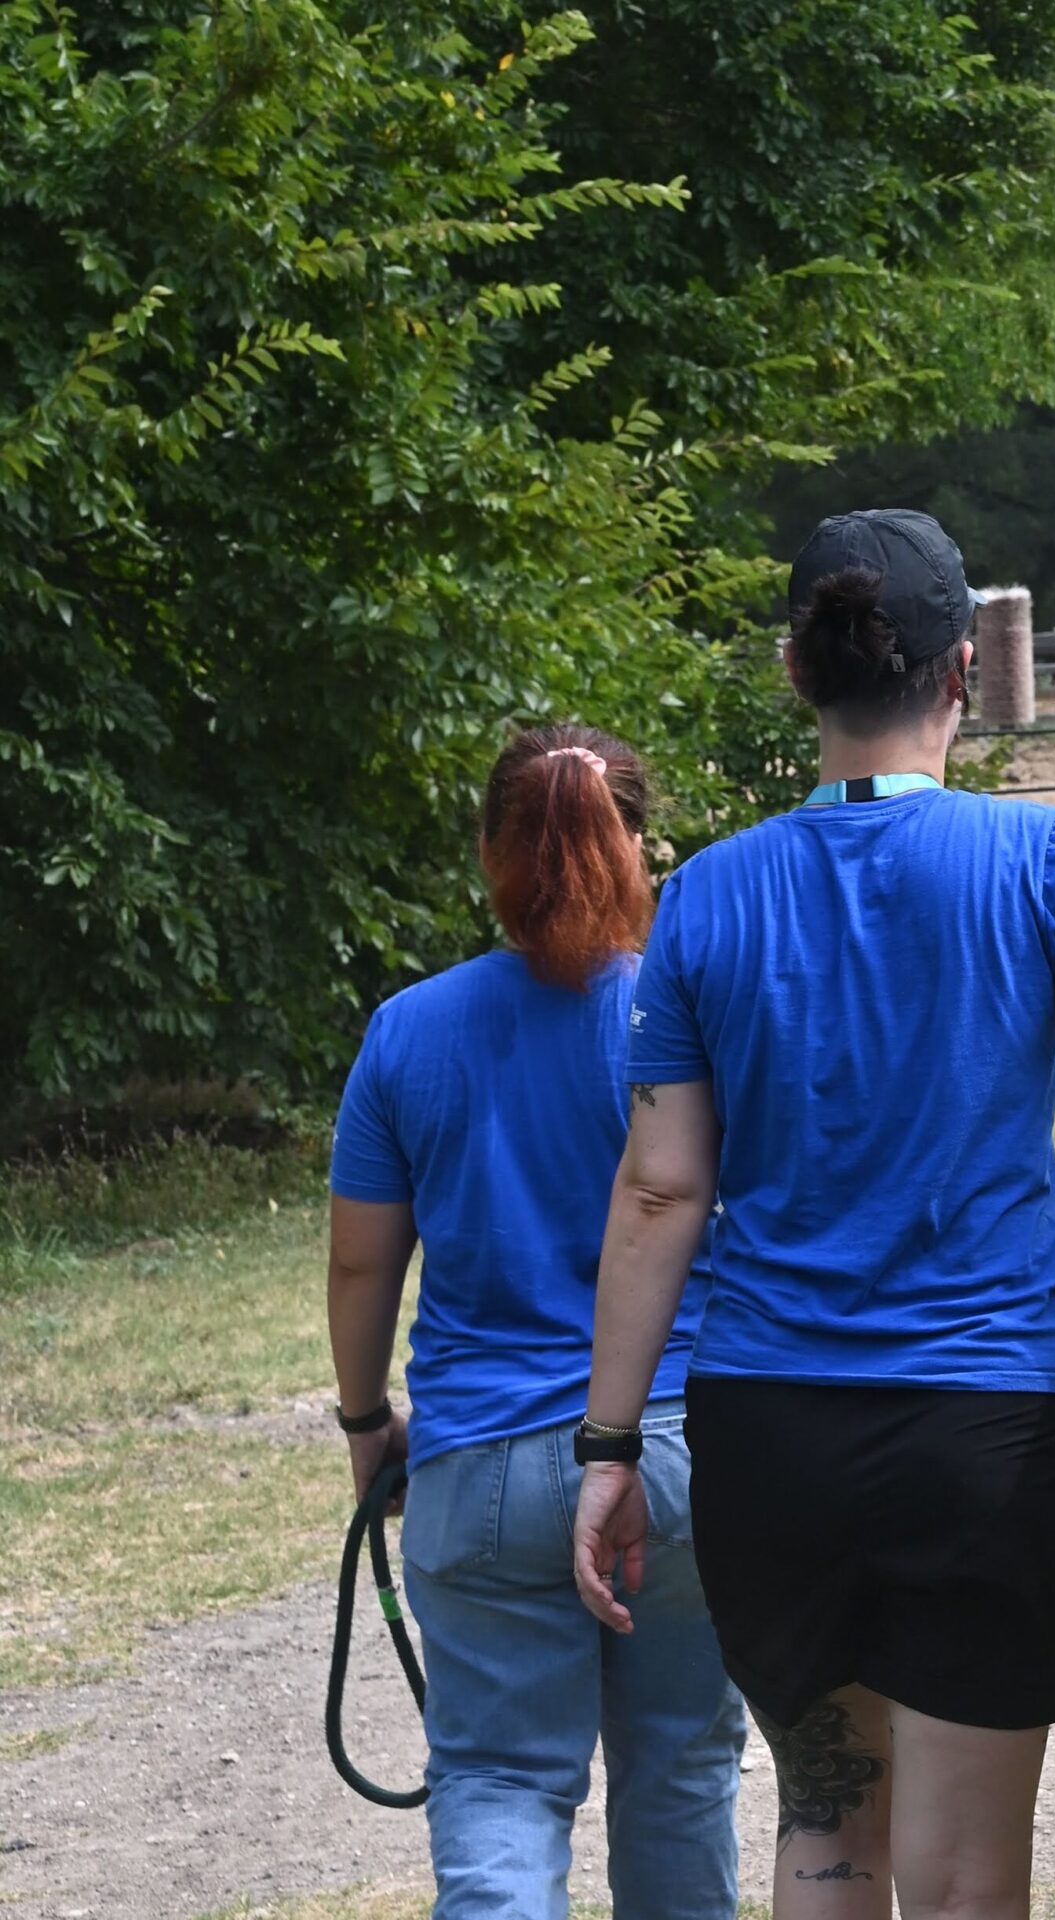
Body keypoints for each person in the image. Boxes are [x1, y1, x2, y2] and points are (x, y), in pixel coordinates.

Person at [567, 508, 1055, 1920]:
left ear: (796, 673)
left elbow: (661, 1187)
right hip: (976, 1440)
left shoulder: (700, 905)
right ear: (958, 680)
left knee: (823, 1849)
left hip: (766, 1438)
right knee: (966, 1878)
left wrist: (611, 1446)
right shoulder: (1038, 864)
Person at [326, 725, 744, 1920]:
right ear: (639, 843)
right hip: (676, 1452)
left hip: (483, 1465)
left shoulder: (410, 1031)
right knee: (678, 1776)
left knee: (502, 1783)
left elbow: (364, 1266)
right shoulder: (695, 1021)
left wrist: (368, 1425)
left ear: (489, 855)